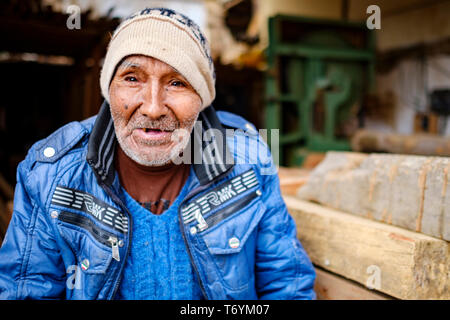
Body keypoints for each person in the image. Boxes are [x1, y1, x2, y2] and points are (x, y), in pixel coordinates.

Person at [0, 7, 315, 300]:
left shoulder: (249, 163)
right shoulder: (51, 175)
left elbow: (286, 286)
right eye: (132, 78)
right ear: (109, 90)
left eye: (177, 82)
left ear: (202, 99)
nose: (152, 108)